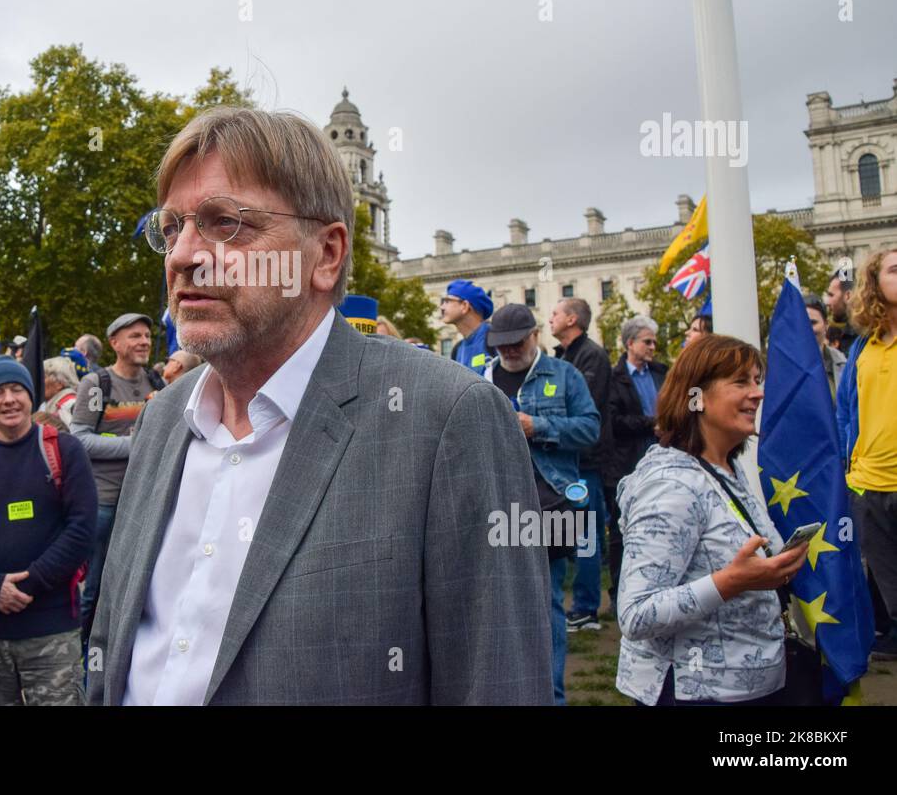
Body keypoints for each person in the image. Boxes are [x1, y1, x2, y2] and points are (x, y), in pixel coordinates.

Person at [89, 106, 551, 705]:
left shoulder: (446, 418)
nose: (182, 256)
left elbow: (497, 684)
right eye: (172, 227)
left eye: (225, 223)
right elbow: (115, 644)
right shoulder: (161, 419)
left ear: (326, 255)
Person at [617, 335, 810, 705]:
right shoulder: (671, 483)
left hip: (750, 687)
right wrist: (731, 581)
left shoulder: (727, 467)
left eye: (757, 380)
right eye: (741, 382)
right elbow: (636, 615)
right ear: (696, 397)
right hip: (694, 692)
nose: (757, 394)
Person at [0, 356, 96, 705]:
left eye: (16, 389)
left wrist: (29, 583)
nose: (8, 399)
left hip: (52, 629)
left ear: (30, 396)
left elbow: (81, 529)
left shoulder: (65, 451)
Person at [484, 303, 599, 705]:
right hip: (493, 502)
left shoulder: (565, 375)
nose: (509, 352)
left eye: (516, 343)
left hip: (552, 502)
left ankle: (550, 696)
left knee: (548, 601)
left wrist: (539, 426)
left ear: (534, 336)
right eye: (501, 345)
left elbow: (591, 429)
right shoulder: (477, 376)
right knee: (493, 599)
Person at [72, 312, 164, 642]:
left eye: (146, 336)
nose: (143, 342)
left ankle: (119, 653)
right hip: (104, 502)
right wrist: (133, 445)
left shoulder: (158, 383)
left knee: (137, 583)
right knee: (93, 588)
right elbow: (79, 437)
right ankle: (82, 661)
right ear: (115, 343)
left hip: (145, 501)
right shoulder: (97, 384)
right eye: (135, 336)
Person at [836, 248, 897, 660]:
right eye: (895, 268)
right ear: (874, 283)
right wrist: (849, 462)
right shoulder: (862, 348)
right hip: (868, 485)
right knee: (891, 591)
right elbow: (845, 411)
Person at [549, 297, 614, 633]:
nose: (549, 319)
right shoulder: (561, 356)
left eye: (555, 314)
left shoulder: (592, 356)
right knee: (571, 536)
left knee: (586, 536)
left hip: (586, 461)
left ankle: (587, 608)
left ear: (572, 319)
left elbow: (577, 406)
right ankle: (575, 604)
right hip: (566, 462)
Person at [605, 315, 669, 611]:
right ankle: (621, 592)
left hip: (664, 461)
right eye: (647, 341)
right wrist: (649, 424)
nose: (653, 347)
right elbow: (613, 422)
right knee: (623, 530)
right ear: (630, 343)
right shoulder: (613, 377)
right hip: (628, 463)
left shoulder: (662, 373)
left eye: (655, 341)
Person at [440, 279, 494, 374]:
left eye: (447, 301)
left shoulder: (495, 340)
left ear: (465, 306)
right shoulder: (457, 350)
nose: (442, 307)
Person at [803, 293, 847, 401]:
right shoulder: (784, 364)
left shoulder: (842, 363)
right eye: (802, 323)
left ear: (826, 325)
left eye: (812, 323)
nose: (807, 328)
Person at [825, 268, 860, 353]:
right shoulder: (843, 333)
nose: (827, 302)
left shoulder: (867, 336)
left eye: (831, 295)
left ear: (848, 296)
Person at [38, 356, 80, 427]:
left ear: (59, 384)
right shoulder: (46, 405)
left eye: (44, 377)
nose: (39, 382)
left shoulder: (68, 406)